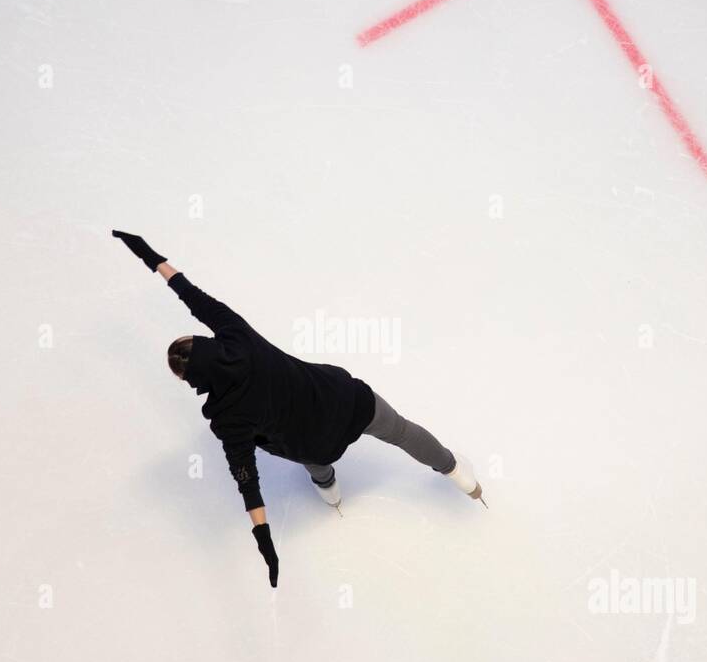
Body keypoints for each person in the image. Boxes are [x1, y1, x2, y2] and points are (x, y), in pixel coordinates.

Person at [113, 231, 483, 587]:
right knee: (400, 431)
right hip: (345, 401)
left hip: (312, 443)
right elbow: (190, 294)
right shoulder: (236, 334)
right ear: (206, 342)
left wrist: (265, 541)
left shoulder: (225, 418)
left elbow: (246, 480)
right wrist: (150, 256)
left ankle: (331, 494)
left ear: (191, 380)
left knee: (313, 456)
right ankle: (457, 473)